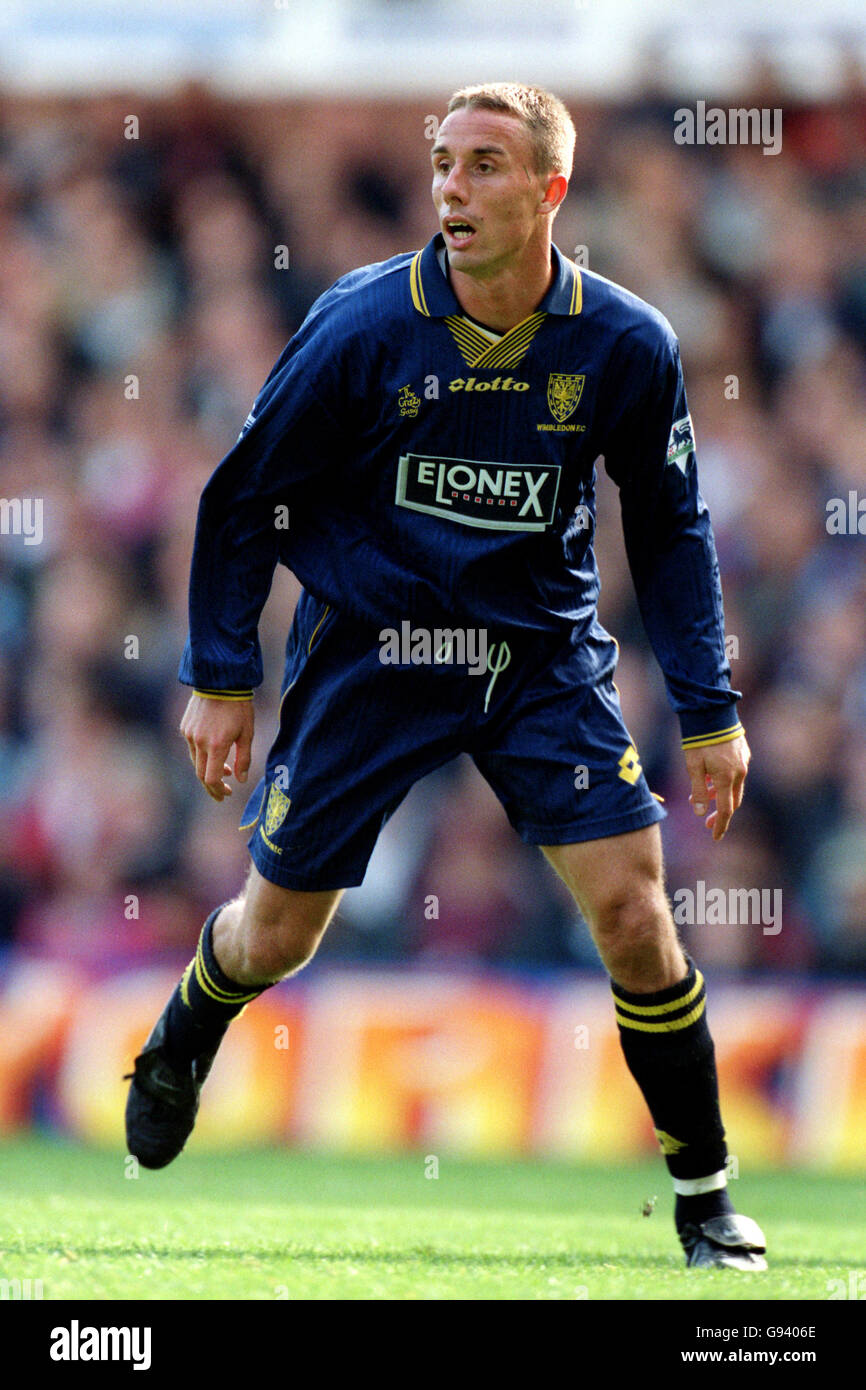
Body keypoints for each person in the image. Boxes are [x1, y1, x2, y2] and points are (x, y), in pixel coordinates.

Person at [125, 82, 766, 1272]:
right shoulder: (363, 324)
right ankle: (182, 1033)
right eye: (441, 163)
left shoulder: (625, 345)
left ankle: (704, 1195)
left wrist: (708, 710)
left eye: (481, 165)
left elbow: (672, 532)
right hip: (376, 649)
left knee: (633, 912)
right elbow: (242, 493)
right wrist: (220, 676)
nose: (451, 189)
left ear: (548, 191)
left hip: (536, 657)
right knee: (274, 937)